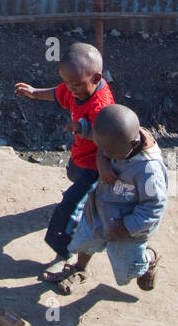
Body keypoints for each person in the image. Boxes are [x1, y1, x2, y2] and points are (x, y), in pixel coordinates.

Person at [13, 42, 115, 278]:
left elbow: (106, 139)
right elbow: (59, 94)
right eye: (67, 82)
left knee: (70, 207)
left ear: (96, 77)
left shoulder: (102, 106)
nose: (71, 89)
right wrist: (34, 92)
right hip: (80, 157)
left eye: (76, 84)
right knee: (73, 175)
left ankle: (65, 251)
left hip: (95, 165)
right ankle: (85, 201)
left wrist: (84, 128)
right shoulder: (76, 87)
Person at [46, 103, 167, 295]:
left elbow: (154, 207)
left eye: (110, 153)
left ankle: (148, 259)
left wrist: (127, 226)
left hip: (127, 228)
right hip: (99, 210)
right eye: (103, 150)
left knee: (126, 267)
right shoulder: (116, 139)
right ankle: (79, 269)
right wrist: (85, 132)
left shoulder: (148, 171)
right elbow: (100, 139)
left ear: (133, 145)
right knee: (85, 241)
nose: (106, 154)